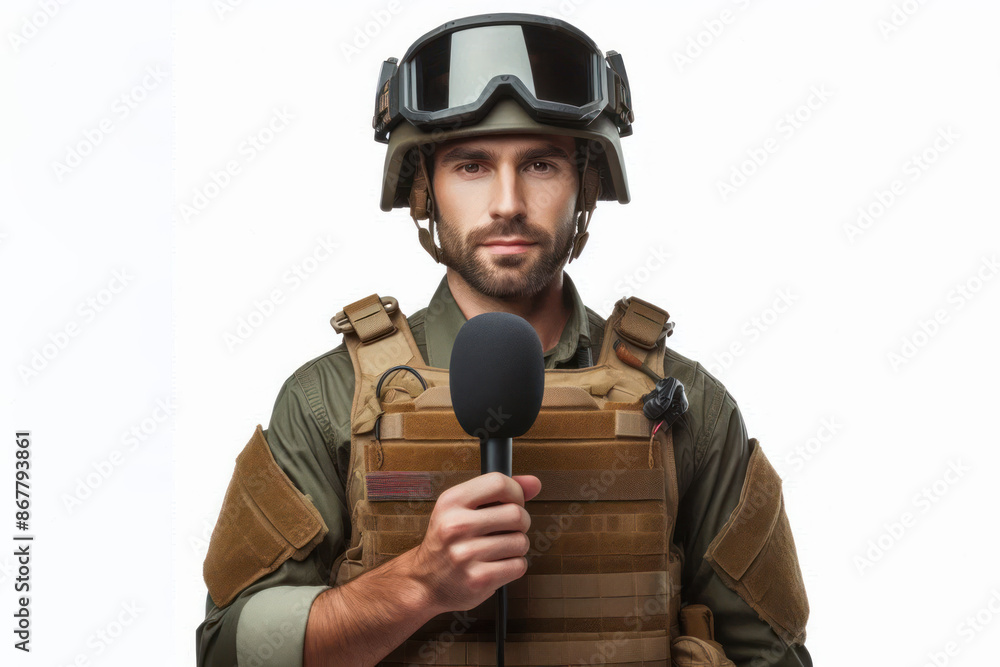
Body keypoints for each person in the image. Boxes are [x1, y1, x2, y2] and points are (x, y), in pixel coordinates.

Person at [197, 13, 812, 667]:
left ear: (587, 186)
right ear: (423, 190)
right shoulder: (329, 398)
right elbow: (227, 649)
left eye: (541, 163)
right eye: (471, 165)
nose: (507, 202)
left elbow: (774, 653)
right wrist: (418, 584)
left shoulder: (688, 404)